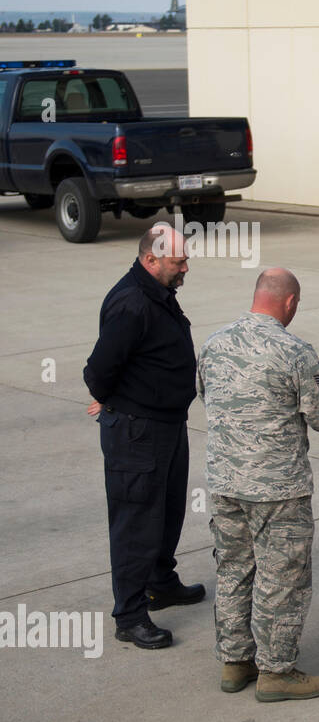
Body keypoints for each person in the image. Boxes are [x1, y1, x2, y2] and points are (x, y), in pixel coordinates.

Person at [197, 268, 319, 700]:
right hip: (279, 488)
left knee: (234, 568)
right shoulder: (295, 351)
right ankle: (276, 671)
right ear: (291, 303)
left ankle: (235, 661)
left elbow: (207, 396)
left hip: (225, 481)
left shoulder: (213, 344)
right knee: (282, 576)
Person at [84, 224, 205, 650]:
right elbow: (98, 370)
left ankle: (161, 582)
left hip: (166, 424)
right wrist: (113, 399)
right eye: (178, 261)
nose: (185, 267)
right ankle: (130, 615)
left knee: (168, 511)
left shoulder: (156, 292)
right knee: (136, 521)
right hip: (137, 433)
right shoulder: (131, 303)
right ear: (151, 260)